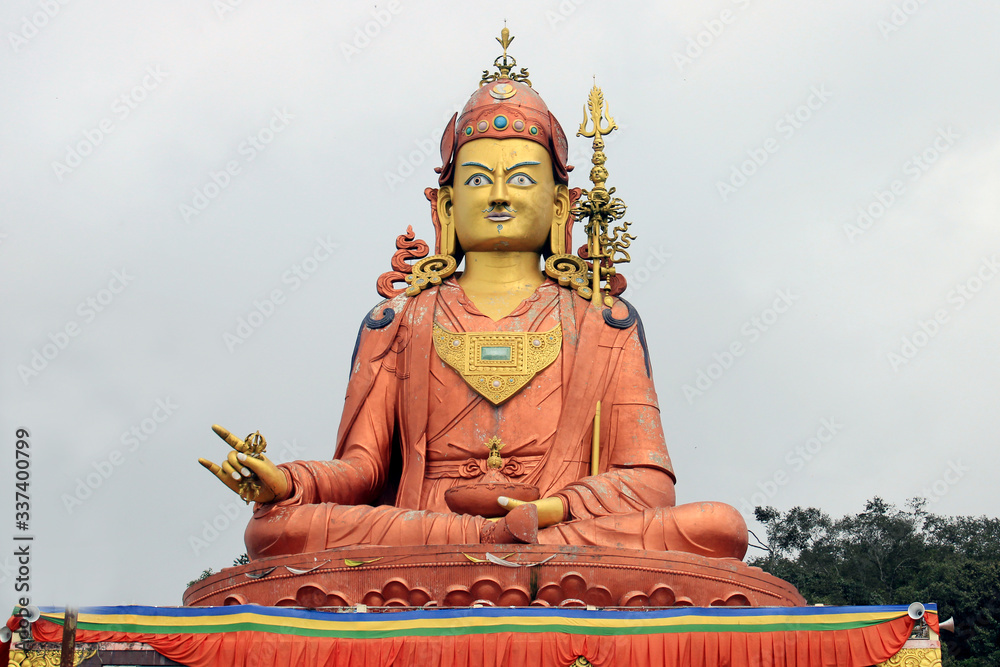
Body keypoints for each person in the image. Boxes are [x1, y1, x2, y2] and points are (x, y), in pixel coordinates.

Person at [199, 36, 748, 562]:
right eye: (480, 178)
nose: (501, 195)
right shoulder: (398, 320)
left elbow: (648, 482)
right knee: (275, 528)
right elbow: (363, 471)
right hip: (426, 525)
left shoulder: (604, 321)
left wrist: (551, 508)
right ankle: (500, 548)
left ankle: (509, 545)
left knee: (717, 527)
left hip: (559, 524)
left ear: (560, 207)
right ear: (446, 204)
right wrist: (292, 481)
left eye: (523, 180)